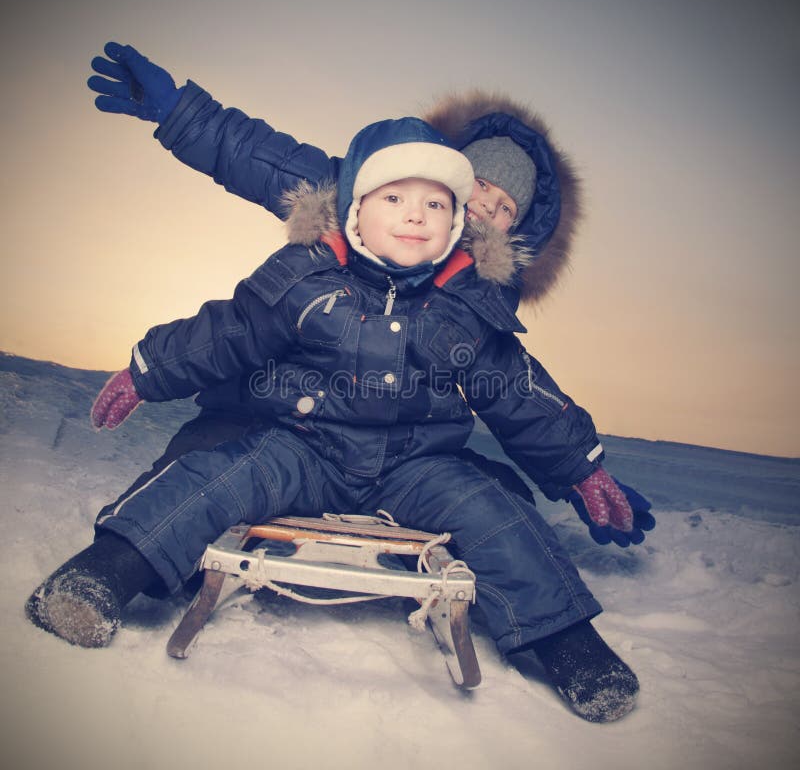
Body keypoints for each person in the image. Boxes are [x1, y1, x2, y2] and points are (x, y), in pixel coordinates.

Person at [27, 115, 649, 723]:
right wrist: (148, 370)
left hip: (416, 463)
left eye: (436, 207)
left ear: (457, 223)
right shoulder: (308, 277)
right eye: (396, 199)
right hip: (303, 443)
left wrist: (580, 468)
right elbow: (229, 332)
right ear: (354, 210)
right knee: (215, 475)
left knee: (495, 510)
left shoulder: (469, 306)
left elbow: (519, 391)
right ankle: (102, 575)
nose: (415, 215)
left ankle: (568, 643)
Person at [85, 43, 652, 550]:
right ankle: (138, 550)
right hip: (274, 412)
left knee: (495, 493)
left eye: (506, 208)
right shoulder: (363, 192)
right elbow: (260, 158)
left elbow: (509, 385)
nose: (485, 209)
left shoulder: (475, 296)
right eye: (480, 186)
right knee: (209, 459)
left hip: (389, 450)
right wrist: (179, 113)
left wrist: (579, 467)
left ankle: (426, 556)